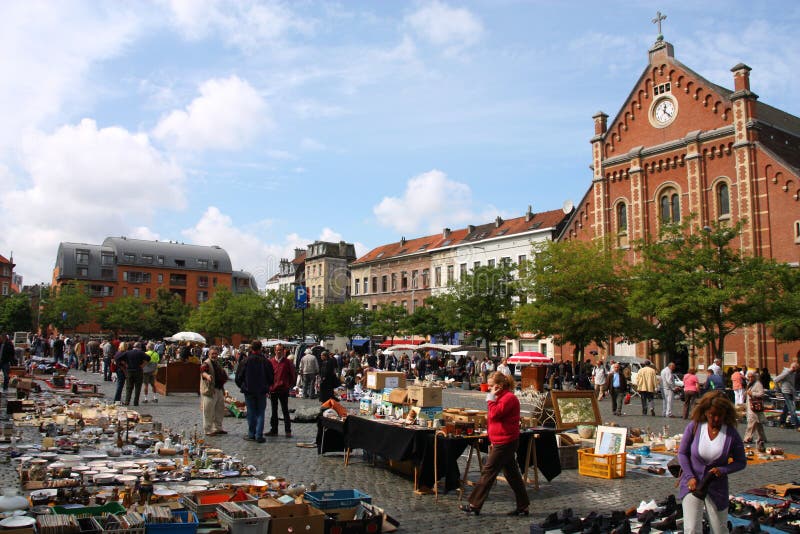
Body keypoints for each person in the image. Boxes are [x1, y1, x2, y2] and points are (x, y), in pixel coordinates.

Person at [460, 371, 529, 517]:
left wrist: (490, 399)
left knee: (488, 472)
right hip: (501, 440)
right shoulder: (501, 397)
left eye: (491, 386)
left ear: (499, 386)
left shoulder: (508, 398)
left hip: (505, 441)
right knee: (513, 475)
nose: (488, 388)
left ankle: (474, 505)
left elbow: (494, 414)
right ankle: (523, 506)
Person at [677, 391, 746, 534]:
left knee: (719, 529)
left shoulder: (731, 433)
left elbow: (741, 462)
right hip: (692, 483)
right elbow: (682, 453)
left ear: (725, 414)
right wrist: (690, 477)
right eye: (711, 415)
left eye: (719, 415)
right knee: (691, 529)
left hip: (717, 486)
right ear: (705, 412)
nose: (715, 419)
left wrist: (723, 470)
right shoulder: (695, 426)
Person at [237, 340, 273, 443]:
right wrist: (267, 386)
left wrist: (243, 386)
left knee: (251, 412)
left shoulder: (246, 361)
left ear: (251, 348)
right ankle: (258, 435)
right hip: (261, 391)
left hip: (249, 390)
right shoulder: (266, 361)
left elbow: (238, 377)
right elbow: (271, 377)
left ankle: (252, 434)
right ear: (261, 348)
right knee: (260, 412)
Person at [269, 343, 297, 438]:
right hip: (273, 390)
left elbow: (293, 375)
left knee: (285, 411)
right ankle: (274, 430)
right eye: (277, 350)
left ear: (283, 351)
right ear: (275, 351)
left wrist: (289, 385)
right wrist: (269, 387)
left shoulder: (287, 362)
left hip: (283, 390)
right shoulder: (271, 362)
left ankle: (288, 430)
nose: (279, 351)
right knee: (274, 411)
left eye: (280, 350)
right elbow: (268, 375)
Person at [200, 347, 228, 437]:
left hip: (219, 389)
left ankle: (218, 428)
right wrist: (207, 376)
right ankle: (208, 430)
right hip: (209, 391)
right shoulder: (206, 363)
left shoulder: (217, 363)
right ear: (209, 354)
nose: (214, 355)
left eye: (216, 354)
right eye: (213, 354)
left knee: (219, 410)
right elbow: (202, 372)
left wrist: (223, 390)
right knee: (208, 411)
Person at [120, 342, 151, 407]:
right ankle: (136, 402)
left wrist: (125, 364)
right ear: (139, 347)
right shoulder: (141, 353)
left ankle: (127, 401)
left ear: (133, 346)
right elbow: (148, 358)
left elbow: (118, 358)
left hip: (129, 371)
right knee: (138, 387)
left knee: (129, 387)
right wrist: (143, 365)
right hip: (138, 371)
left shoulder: (128, 352)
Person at [743, 370, 767, 449]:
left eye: (751, 376)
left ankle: (747, 437)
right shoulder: (750, 383)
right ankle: (762, 437)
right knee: (758, 423)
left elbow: (762, 393)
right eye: (749, 377)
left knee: (752, 422)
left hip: (755, 406)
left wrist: (752, 394)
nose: (750, 378)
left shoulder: (758, 384)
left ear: (754, 376)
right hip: (751, 405)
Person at [773, 362, 799, 429]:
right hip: (786, 392)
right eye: (796, 368)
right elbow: (775, 380)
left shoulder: (793, 373)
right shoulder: (786, 372)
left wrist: (794, 393)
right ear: (793, 367)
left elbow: (792, 384)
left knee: (786, 408)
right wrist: (778, 389)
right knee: (792, 408)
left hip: (791, 392)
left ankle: (782, 422)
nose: (797, 370)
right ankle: (797, 425)